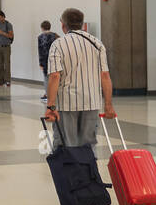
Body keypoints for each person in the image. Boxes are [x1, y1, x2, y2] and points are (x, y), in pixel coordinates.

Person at [43, 8, 114, 146]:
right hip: (92, 103)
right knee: (88, 146)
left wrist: (51, 107)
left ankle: (69, 168)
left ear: (63, 24)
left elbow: (55, 76)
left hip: (67, 104)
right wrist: (108, 105)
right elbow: (105, 75)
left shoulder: (58, 44)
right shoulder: (97, 44)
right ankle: (87, 167)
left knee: (65, 145)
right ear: (81, 24)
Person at [37, 20, 59, 101]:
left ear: (42, 28)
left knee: (46, 78)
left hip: (45, 61)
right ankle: (55, 94)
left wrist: (40, 63)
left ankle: (47, 95)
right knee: (55, 77)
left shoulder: (40, 37)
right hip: (55, 59)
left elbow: (40, 51)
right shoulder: (55, 36)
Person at [0, 9, 15, 86]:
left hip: (6, 47)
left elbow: (10, 36)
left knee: (7, 64)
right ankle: (1, 80)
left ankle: (8, 80)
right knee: (0, 64)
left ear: (3, 17)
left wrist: (1, 32)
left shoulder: (8, 25)